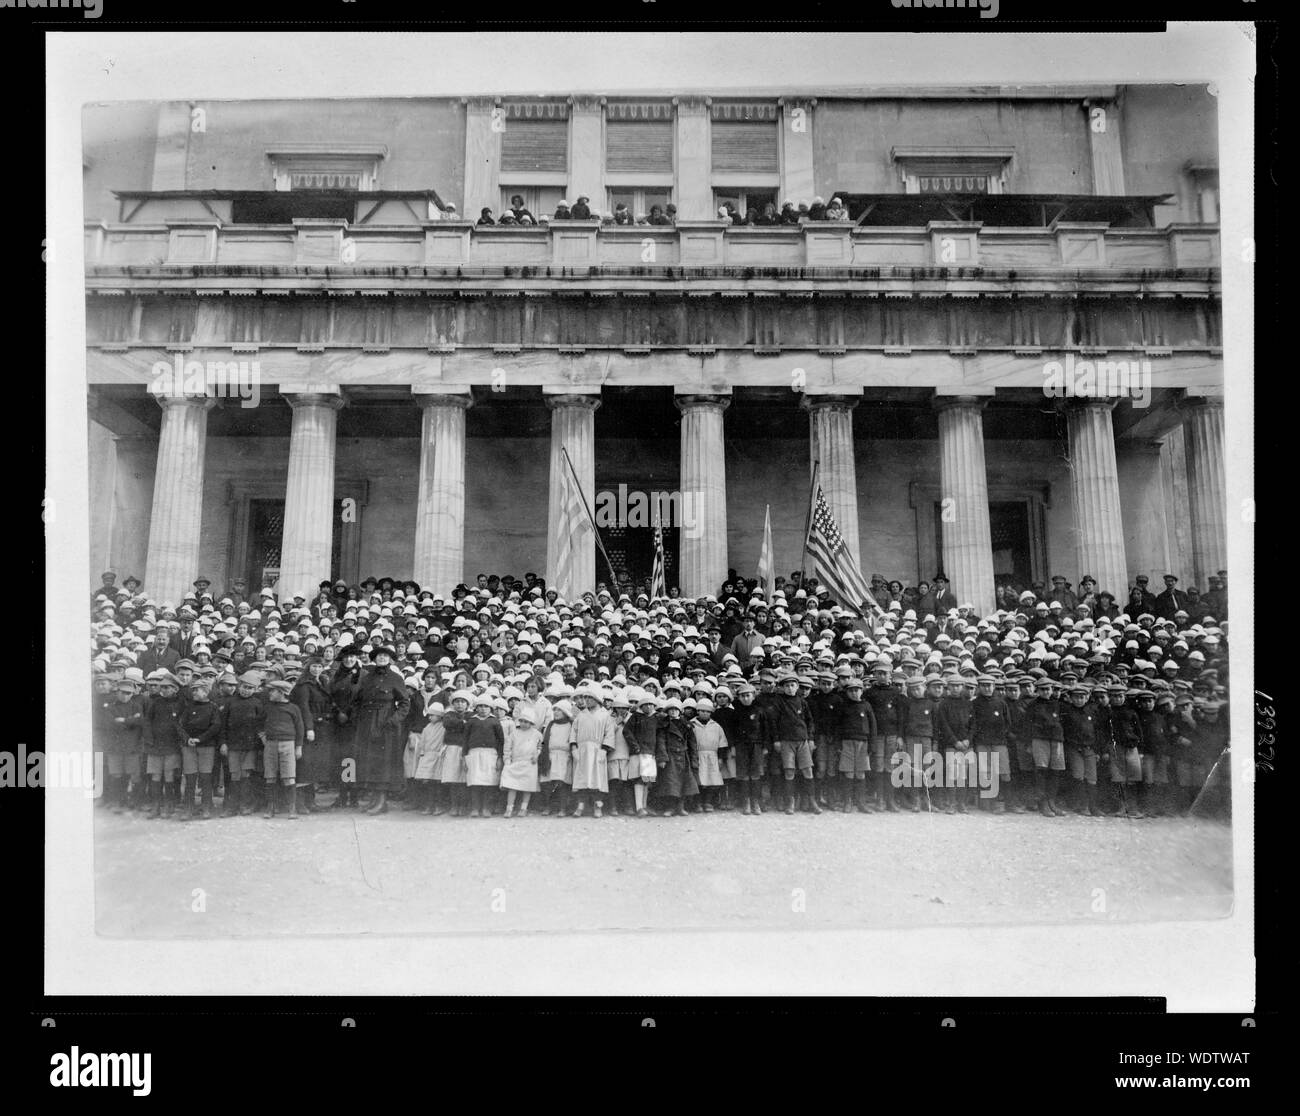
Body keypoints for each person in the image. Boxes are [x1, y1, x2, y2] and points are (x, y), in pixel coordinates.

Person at [353, 644, 411, 815]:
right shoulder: (367, 677)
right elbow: (357, 700)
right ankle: (374, 800)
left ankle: (382, 801)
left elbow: (405, 703)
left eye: (385, 656)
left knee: (383, 762)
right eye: (379, 656)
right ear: (374, 659)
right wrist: (359, 718)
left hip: (386, 725)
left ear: (390, 659)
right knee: (369, 761)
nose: (382, 658)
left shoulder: (395, 678)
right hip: (366, 723)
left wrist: (393, 720)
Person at [770, 670, 817, 815]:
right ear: (783, 687)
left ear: (797, 687)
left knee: (807, 770)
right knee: (789, 771)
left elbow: (810, 722)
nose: (790, 688)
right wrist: (777, 740)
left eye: (792, 685)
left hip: (802, 740)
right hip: (786, 741)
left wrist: (810, 738)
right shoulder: (779, 702)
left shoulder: (802, 702)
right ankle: (790, 802)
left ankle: (811, 801)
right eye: (787, 686)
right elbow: (774, 722)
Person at [142, 671, 185, 819]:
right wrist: (149, 739)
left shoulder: (180, 704)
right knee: (155, 775)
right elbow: (147, 721)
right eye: (163, 687)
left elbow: (181, 725)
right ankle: (156, 805)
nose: (164, 690)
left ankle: (169, 804)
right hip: (155, 746)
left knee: (169, 775)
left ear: (175, 689)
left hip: (171, 746)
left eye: (168, 687)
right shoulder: (156, 703)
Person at [569, 681, 615, 817]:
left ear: (597, 699)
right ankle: (580, 806)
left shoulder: (605, 715)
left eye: (590, 698)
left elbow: (609, 734)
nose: (586, 700)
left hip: (597, 751)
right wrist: (573, 748)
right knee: (582, 779)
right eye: (586, 698)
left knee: (597, 779)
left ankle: (597, 806)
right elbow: (573, 732)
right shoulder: (581, 715)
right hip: (582, 751)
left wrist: (604, 749)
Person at [260, 679, 304, 819]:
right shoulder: (267, 707)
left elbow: (300, 728)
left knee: (289, 777)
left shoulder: (293, 708)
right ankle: (270, 808)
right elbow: (258, 723)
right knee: (270, 777)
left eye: (272, 691)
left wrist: (298, 747)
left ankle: (292, 809)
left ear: (281, 692)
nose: (270, 693)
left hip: (288, 744)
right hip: (271, 744)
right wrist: (262, 737)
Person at [180, 677, 222, 819]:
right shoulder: (189, 707)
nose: (194, 693)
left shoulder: (213, 707)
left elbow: (215, 726)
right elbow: (180, 725)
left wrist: (201, 738)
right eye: (193, 690)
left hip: (206, 747)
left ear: (205, 692)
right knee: (190, 777)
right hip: (189, 747)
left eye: (197, 690)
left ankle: (206, 807)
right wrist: (188, 739)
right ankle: (188, 808)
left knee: (206, 777)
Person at [654, 697, 697, 816]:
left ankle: (680, 807)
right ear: (667, 711)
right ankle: (670, 807)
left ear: (680, 711)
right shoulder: (664, 725)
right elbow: (661, 742)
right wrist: (662, 757)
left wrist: (694, 760)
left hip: (683, 756)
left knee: (684, 782)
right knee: (670, 783)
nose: (673, 712)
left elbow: (692, 743)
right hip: (670, 756)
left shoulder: (686, 725)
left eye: (676, 709)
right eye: (670, 709)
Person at [501, 702, 542, 817]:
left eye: (527, 722)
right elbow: (507, 748)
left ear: (531, 723)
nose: (524, 724)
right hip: (516, 762)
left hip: (530, 763)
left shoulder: (537, 734)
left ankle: (524, 808)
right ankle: (509, 808)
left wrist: (537, 755)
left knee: (527, 786)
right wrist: (507, 761)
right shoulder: (514, 733)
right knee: (512, 786)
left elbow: (540, 746)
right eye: (522, 721)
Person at [690, 698, 727, 811]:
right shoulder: (692, 725)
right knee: (700, 781)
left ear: (711, 713)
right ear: (698, 711)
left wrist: (721, 758)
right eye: (702, 711)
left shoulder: (716, 726)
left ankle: (708, 802)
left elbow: (722, 743)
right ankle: (698, 803)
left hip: (712, 756)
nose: (705, 713)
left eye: (707, 712)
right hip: (698, 755)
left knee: (712, 780)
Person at [412, 701, 446, 815]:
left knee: (437, 783)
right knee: (428, 783)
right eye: (429, 715)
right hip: (427, 756)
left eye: (433, 715)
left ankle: (438, 806)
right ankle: (429, 805)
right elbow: (422, 742)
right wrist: (422, 752)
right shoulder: (427, 727)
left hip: (438, 756)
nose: (430, 717)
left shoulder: (443, 727)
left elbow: (444, 741)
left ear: (440, 716)